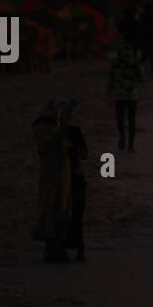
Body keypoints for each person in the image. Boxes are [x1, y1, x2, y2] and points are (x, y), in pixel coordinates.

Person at [32, 101, 72, 263]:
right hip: (51, 172)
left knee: (60, 208)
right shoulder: (42, 127)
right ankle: (52, 249)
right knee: (52, 208)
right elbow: (53, 144)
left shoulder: (51, 126)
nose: (57, 112)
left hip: (60, 171)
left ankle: (57, 247)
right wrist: (64, 123)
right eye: (54, 110)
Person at [61, 101, 88, 262]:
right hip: (59, 177)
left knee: (77, 213)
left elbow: (84, 154)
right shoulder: (51, 131)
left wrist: (73, 148)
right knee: (62, 213)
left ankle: (79, 248)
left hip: (75, 176)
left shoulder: (74, 131)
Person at [107, 46, 142, 152]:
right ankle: (130, 145)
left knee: (120, 119)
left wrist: (110, 89)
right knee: (131, 120)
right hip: (131, 95)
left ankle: (122, 138)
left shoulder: (116, 63)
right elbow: (141, 78)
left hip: (120, 95)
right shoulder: (134, 63)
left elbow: (111, 78)